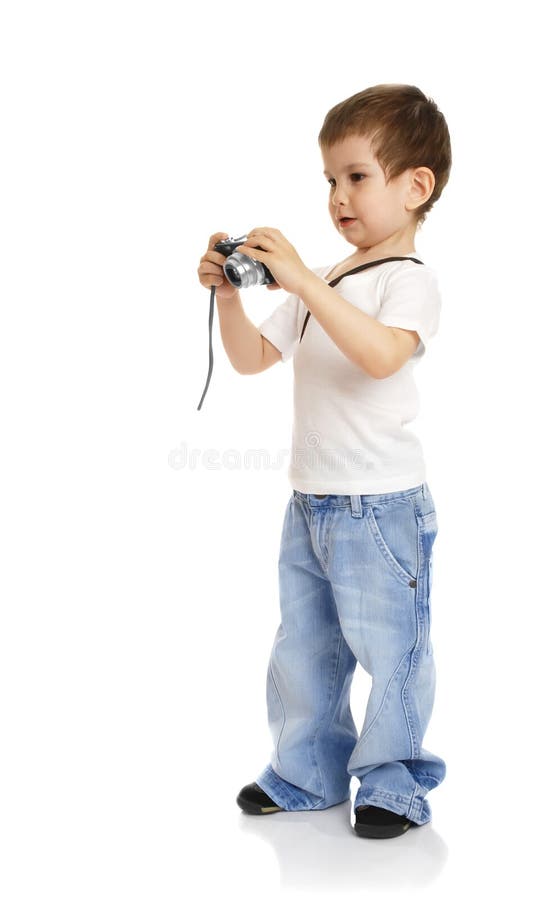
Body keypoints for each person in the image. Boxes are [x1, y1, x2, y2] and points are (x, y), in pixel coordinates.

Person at [197, 83, 452, 839]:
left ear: (414, 187)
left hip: (381, 507)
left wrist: (305, 277)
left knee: (392, 652)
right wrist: (230, 298)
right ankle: (306, 771)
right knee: (304, 647)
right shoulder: (328, 281)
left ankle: (393, 783)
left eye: (356, 176)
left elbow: (379, 358)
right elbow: (251, 360)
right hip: (309, 501)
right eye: (329, 181)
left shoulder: (407, 282)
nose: (338, 197)